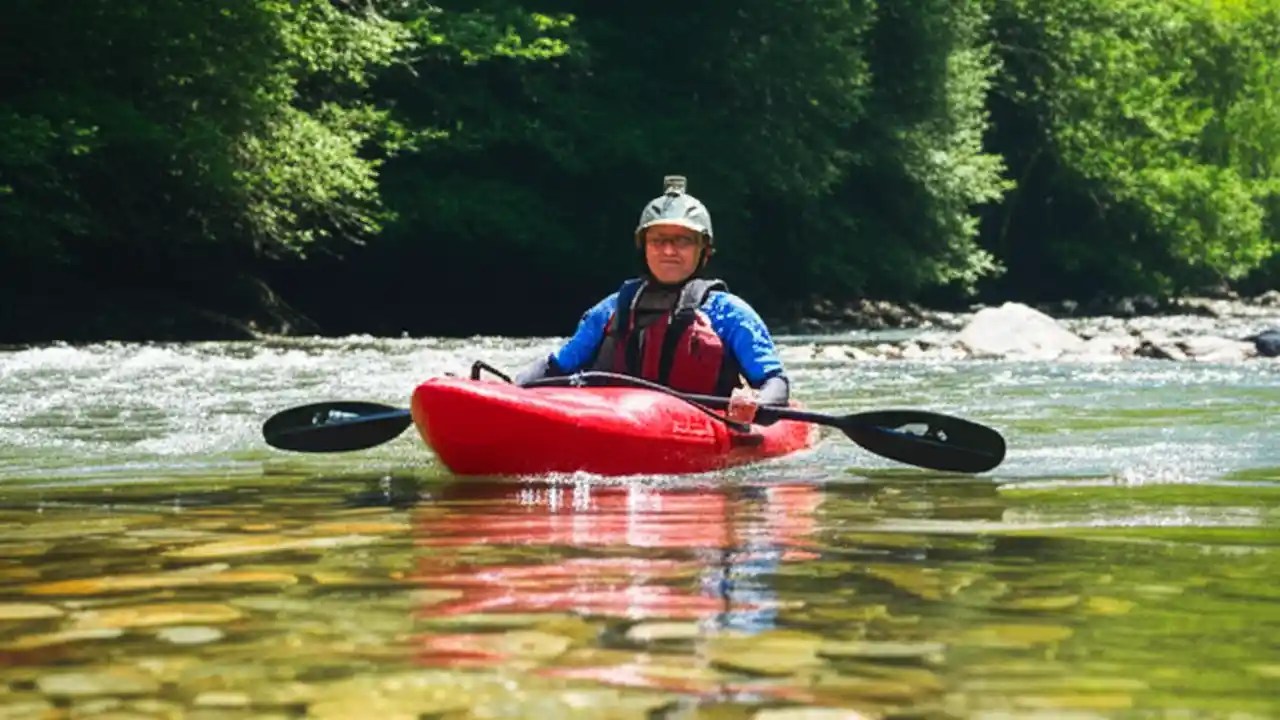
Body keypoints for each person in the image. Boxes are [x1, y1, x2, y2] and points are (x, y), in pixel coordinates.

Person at [514, 175, 790, 424]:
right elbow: (556, 367)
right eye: (658, 240)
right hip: (615, 421)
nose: (669, 250)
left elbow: (774, 382)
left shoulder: (729, 313)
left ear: (704, 251)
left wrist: (756, 404)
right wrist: (510, 389)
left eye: (683, 241)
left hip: (699, 425)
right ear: (644, 248)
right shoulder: (612, 309)